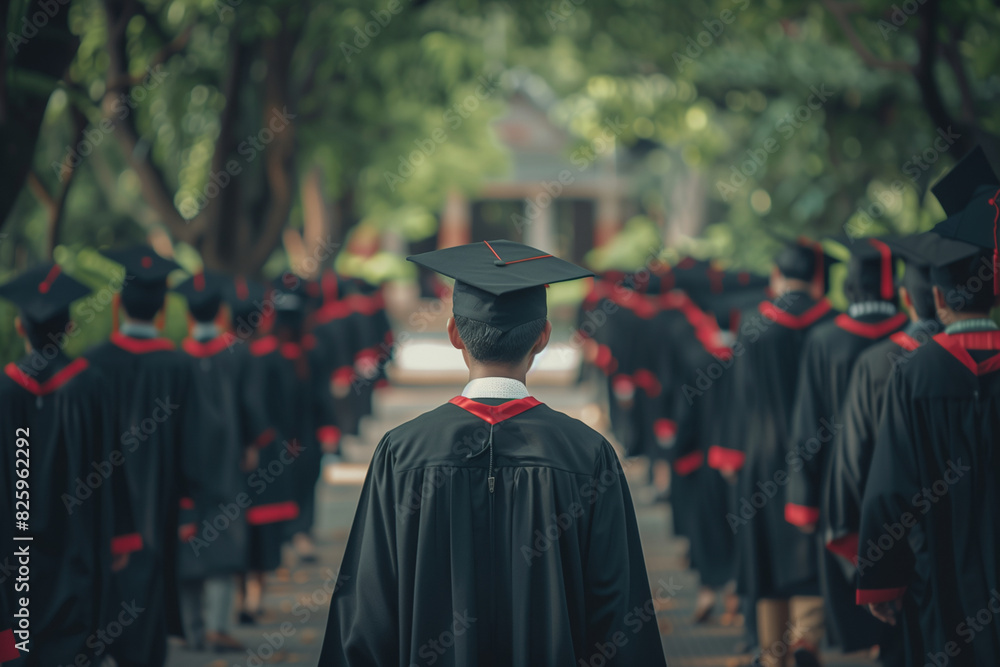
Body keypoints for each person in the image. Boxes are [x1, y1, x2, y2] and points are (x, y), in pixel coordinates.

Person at [320, 240, 667, 666]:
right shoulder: (588, 455)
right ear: (542, 338)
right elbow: (620, 615)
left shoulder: (402, 453)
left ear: (454, 334)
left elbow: (367, 611)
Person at [857, 146, 1000, 666]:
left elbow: (891, 489)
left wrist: (883, 582)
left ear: (939, 301)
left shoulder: (915, 373)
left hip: (940, 577)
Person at [0, 265, 139, 666]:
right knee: (74, 630)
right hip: (78, 535)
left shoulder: (5, 392)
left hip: (16, 542)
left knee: (20, 627)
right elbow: (113, 463)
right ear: (69, 325)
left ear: (18, 326)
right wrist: (122, 534)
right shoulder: (89, 385)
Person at [710, 237, 838, 667]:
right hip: (820, 456)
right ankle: (808, 638)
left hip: (760, 459)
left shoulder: (751, 323)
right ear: (818, 278)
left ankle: (772, 652)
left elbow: (736, 397)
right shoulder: (833, 324)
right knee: (809, 548)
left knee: (764, 557)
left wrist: (728, 453)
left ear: (779, 275)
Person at [784, 237, 908, 660]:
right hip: (905, 485)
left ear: (850, 284)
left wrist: (804, 499)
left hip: (841, 486)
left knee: (852, 572)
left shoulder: (825, 340)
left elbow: (807, 426)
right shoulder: (909, 339)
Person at [85, 246, 194, 667]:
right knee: (147, 599)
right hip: (159, 505)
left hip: (98, 505)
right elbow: (193, 442)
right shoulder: (177, 366)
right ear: (163, 308)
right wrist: (190, 503)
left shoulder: (92, 368)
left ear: (117, 304)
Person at [172, 270, 249, 652]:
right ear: (220, 312)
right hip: (226, 466)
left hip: (184, 473)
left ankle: (192, 629)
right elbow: (250, 410)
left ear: (188, 316)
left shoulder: (174, 361)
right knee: (224, 542)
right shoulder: (237, 353)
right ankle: (219, 626)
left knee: (190, 545)